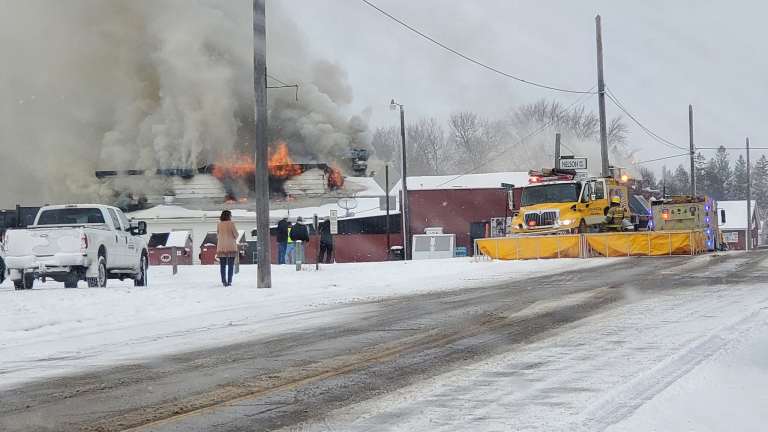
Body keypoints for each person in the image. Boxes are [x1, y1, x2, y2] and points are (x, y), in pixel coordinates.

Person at [216, 210, 239, 287]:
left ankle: (223, 281)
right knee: (230, 265)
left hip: (221, 247)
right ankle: (229, 281)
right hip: (231, 247)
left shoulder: (219, 224)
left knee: (222, 266)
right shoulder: (231, 224)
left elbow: (218, 235)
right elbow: (236, 234)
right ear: (229, 216)